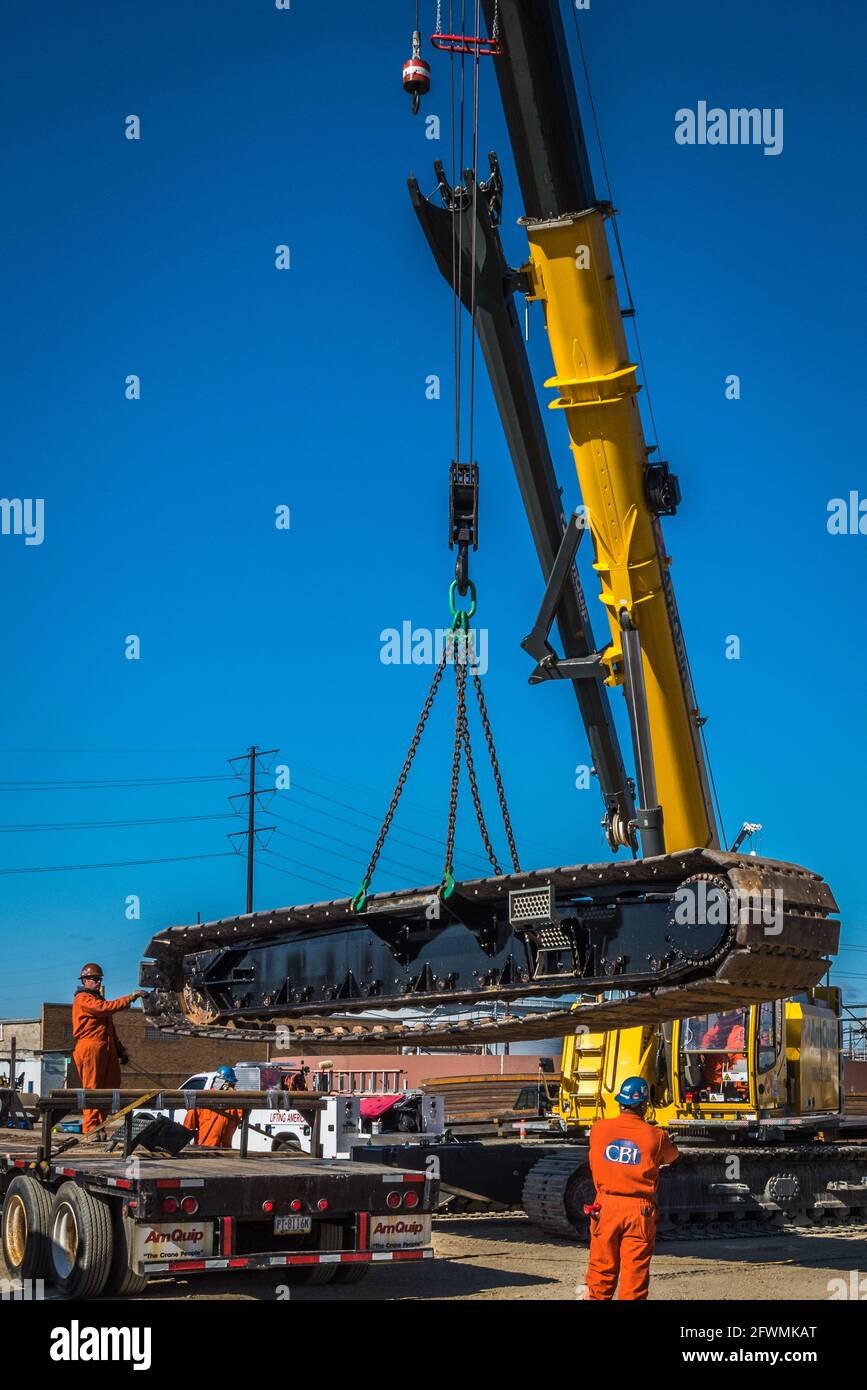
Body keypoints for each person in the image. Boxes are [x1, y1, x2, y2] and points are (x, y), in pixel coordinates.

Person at [584, 1076, 679, 1301]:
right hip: (638, 1210)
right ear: (645, 1105)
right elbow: (672, 1157)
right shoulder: (656, 1136)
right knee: (634, 1274)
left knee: (601, 1269)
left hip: (604, 1206)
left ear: (620, 1102)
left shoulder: (599, 1129)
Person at [72, 963, 144, 1135]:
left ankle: (99, 1126)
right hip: (90, 1047)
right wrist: (129, 998)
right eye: (94, 979)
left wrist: (120, 1050)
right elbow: (103, 1009)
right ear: (85, 980)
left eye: (99, 979)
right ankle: (90, 1129)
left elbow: (110, 1030)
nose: (97, 982)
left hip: (106, 1047)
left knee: (110, 1087)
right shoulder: (83, 998)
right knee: (92, 1089)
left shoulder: (97, 1000)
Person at [183, 1065, 243, 1148]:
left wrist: (234, 1094)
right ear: (220, 1083)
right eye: (229, 1085)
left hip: (225, 1153)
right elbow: (187, 1128)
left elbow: (245, 1112)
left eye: (233, 1085)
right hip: (203, 1151)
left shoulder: (234, 1105)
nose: (231, 1087)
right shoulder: (202, 1100)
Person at [699, 1010, 746, 1093]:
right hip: (723, 1055)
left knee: (742, 1064)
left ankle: (742, 1092)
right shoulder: (720, 1024)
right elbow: (709, 1037)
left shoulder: (743, 1024)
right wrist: (703, 1049)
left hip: (738, 1055)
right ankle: (713, 1090)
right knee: (712, 1063)